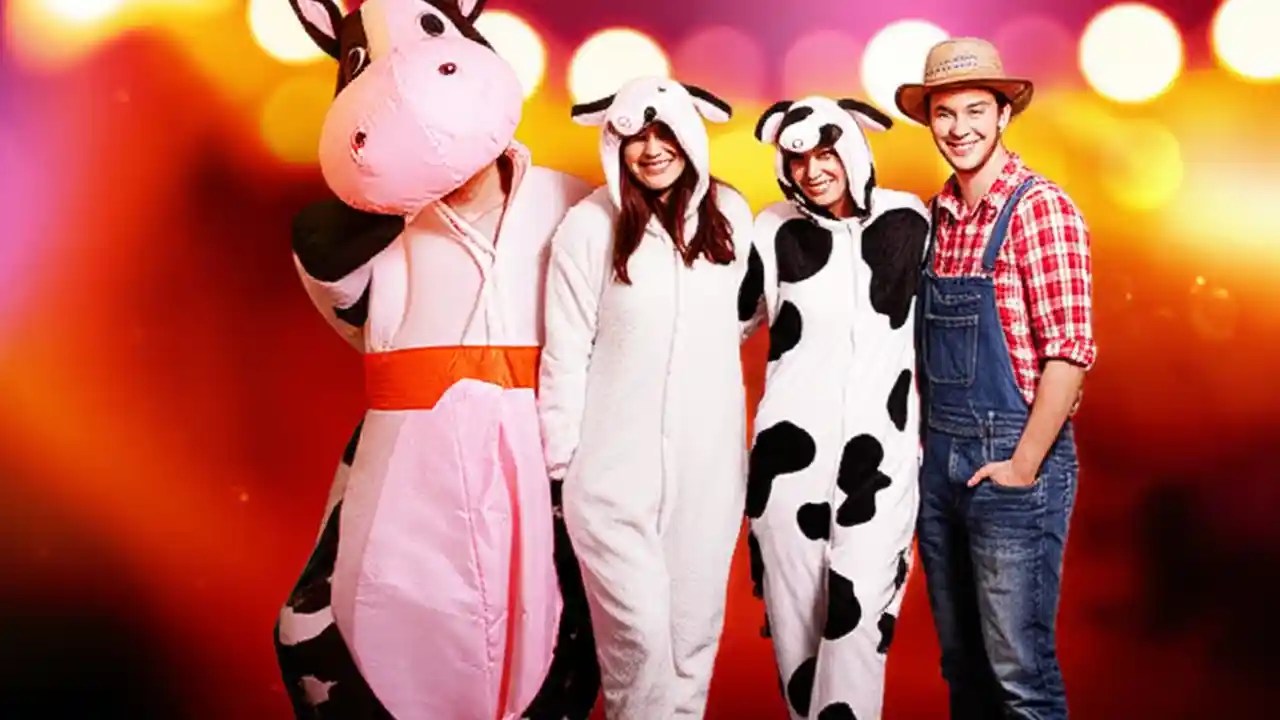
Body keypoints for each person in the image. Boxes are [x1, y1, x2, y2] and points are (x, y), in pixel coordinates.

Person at [273, 1, 600, 718]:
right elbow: (339, 291)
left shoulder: (573, 206)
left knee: (546, 640)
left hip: (538, 460)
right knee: (356, 631)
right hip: (412, 468)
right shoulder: (367, 239)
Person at [537, 76, 754, 720]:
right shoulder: (588, 228)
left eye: (664, 133)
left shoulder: (733, 217)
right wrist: (561, 463)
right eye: (634, 136)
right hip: (609, 477)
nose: (651, 149)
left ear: (691, 134)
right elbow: (565, 350)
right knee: (639, 648)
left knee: (691, 645)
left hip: (709, 475)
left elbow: (739, 318)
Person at [894, 37, 1097, 718]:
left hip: (1015, 459)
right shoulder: (936, 216)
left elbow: (1068, 355)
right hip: (941, 462)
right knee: (964, 668)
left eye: (975, 111)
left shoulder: (1041, 210)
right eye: (945, 114)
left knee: (1020, 673)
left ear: (1004, 113)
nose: (960, 129)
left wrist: (1023, 465)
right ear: (930, 121)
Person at [738, 95, 931, 719]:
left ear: (853, 148)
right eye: (797, 159)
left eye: (826, 153)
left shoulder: (909, 220)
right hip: (787, 468)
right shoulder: (769, 230)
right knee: (798, 633)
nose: (814, 170)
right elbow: (719, 325)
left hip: (882, 464)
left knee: (857, 624)